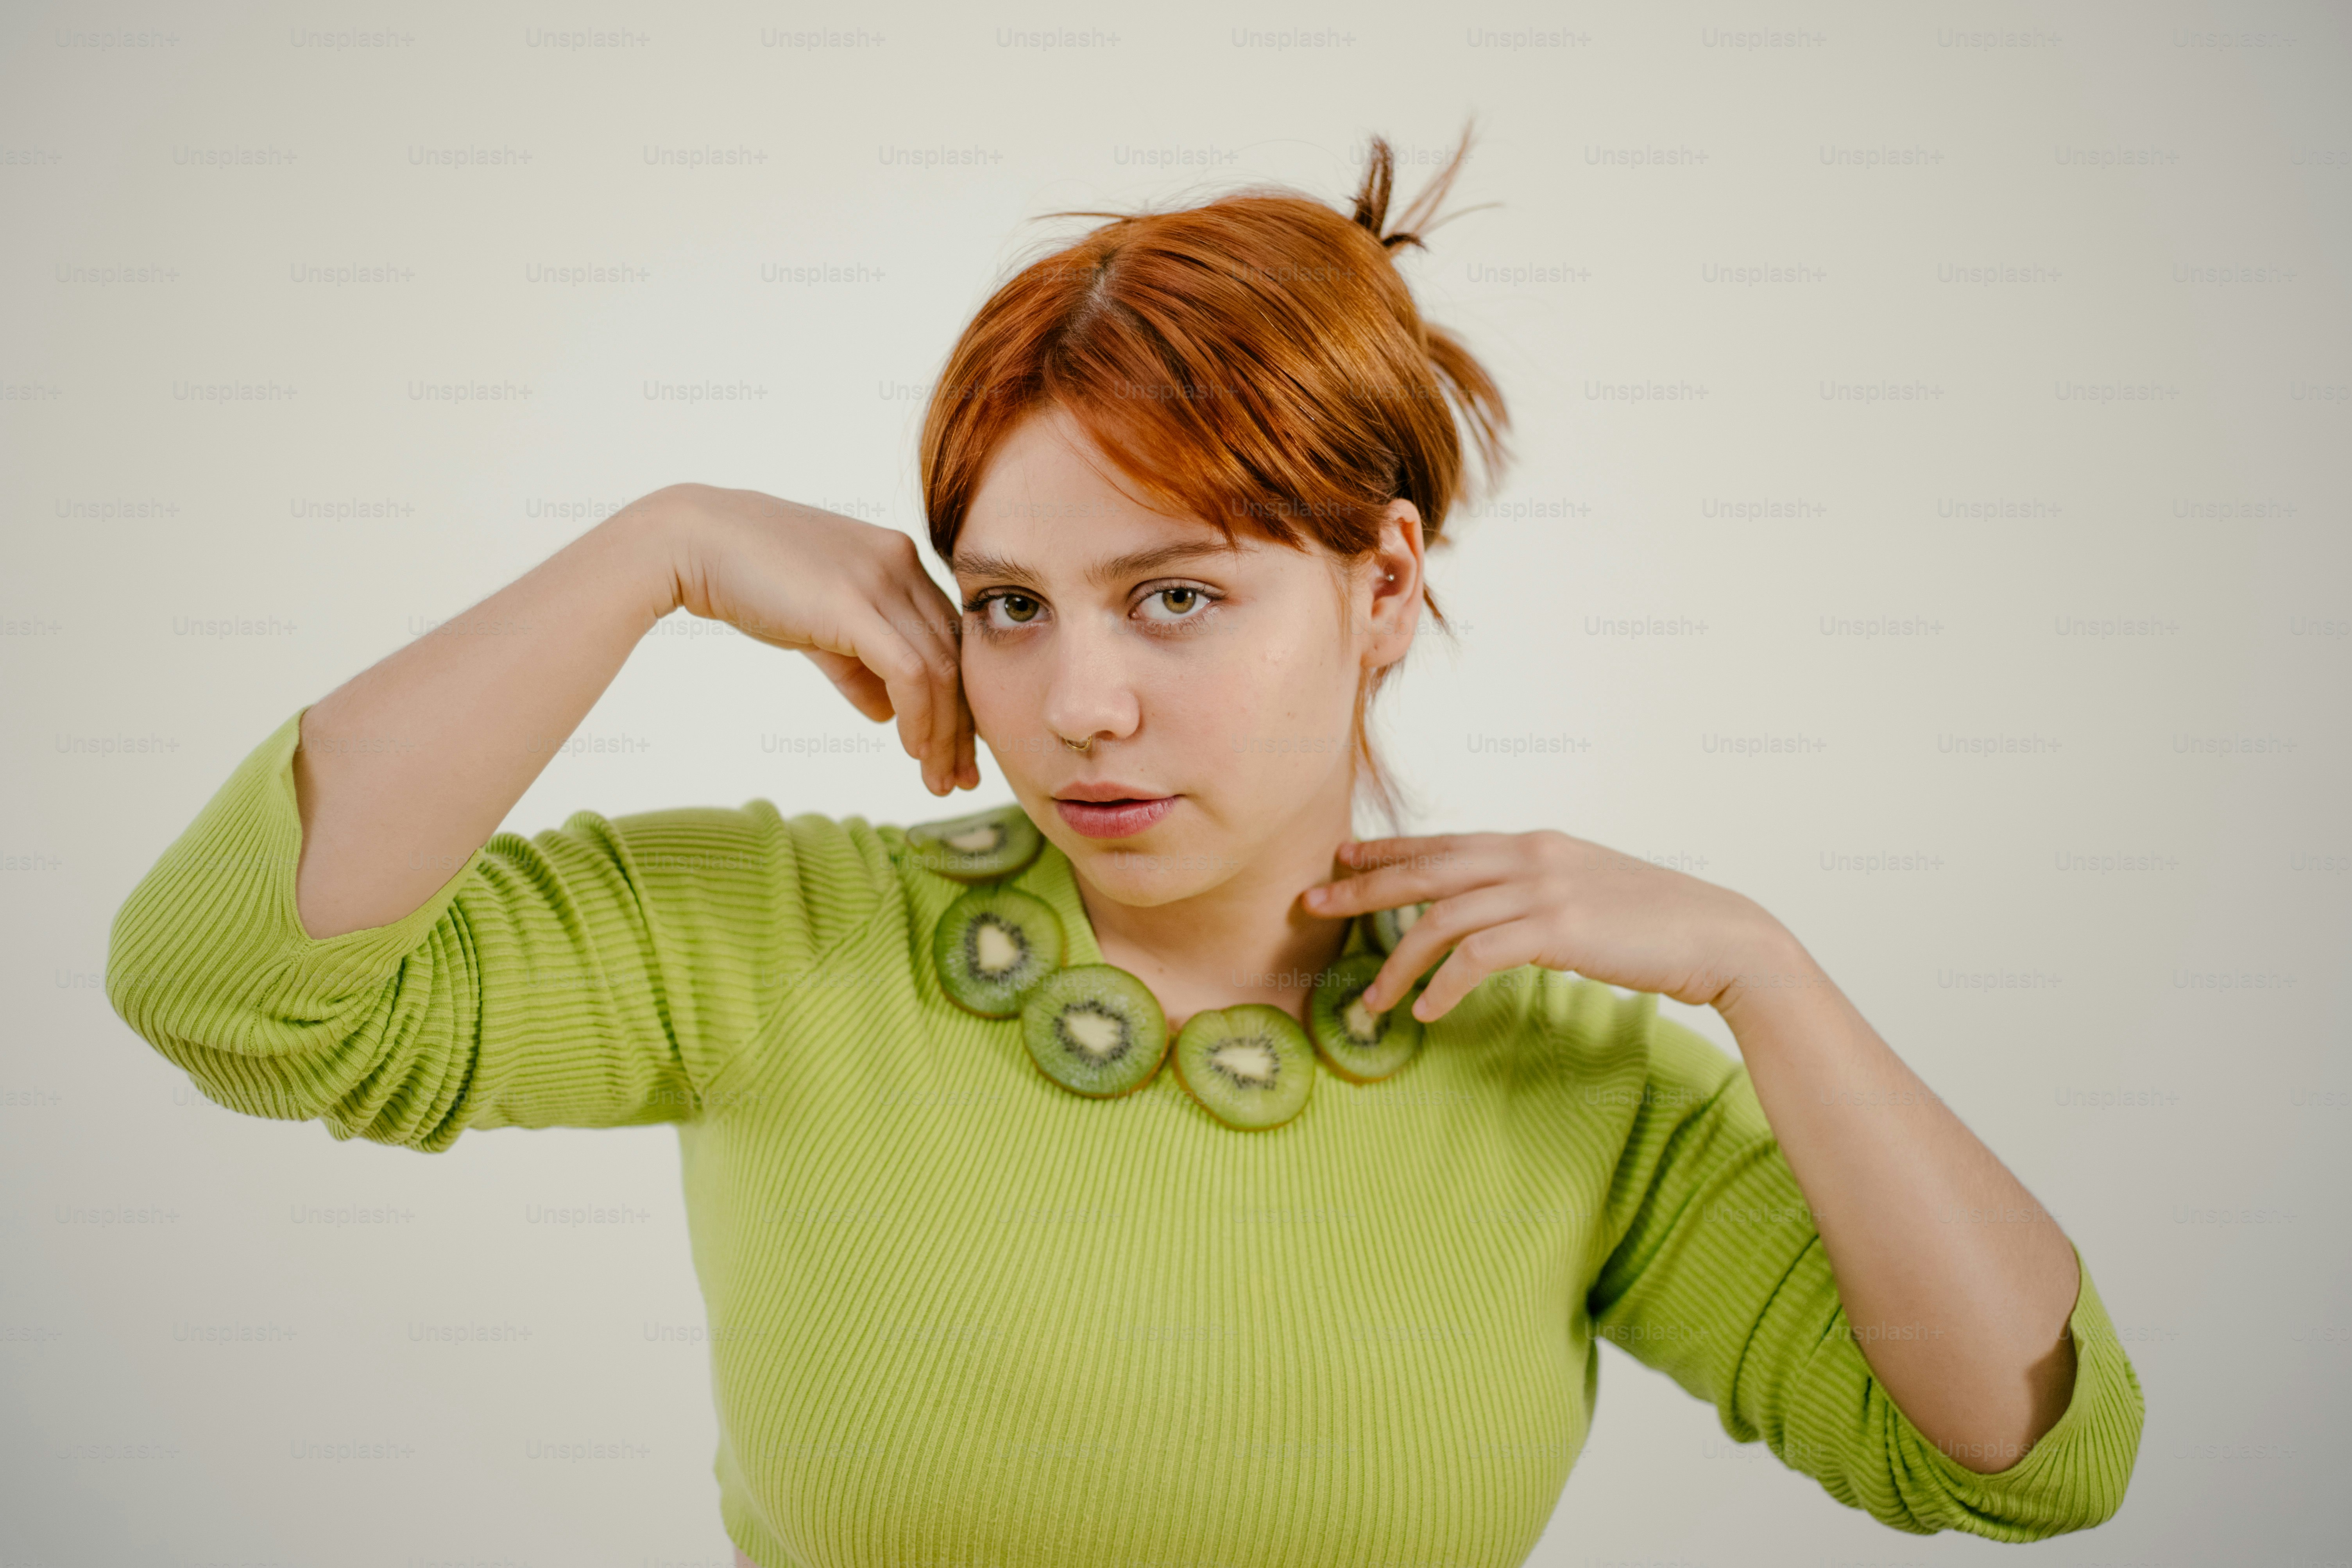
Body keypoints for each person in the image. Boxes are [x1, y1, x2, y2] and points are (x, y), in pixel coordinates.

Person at [105, 129, 2144, 1566]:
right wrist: (651, 551)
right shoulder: (772, 937)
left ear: (1380, 584)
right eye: (1010, 603)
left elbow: (2018, 1459)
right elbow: (231, 992)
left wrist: (1766, 974)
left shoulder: (1569, 1070)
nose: (1074, 703)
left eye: (1174, 598)